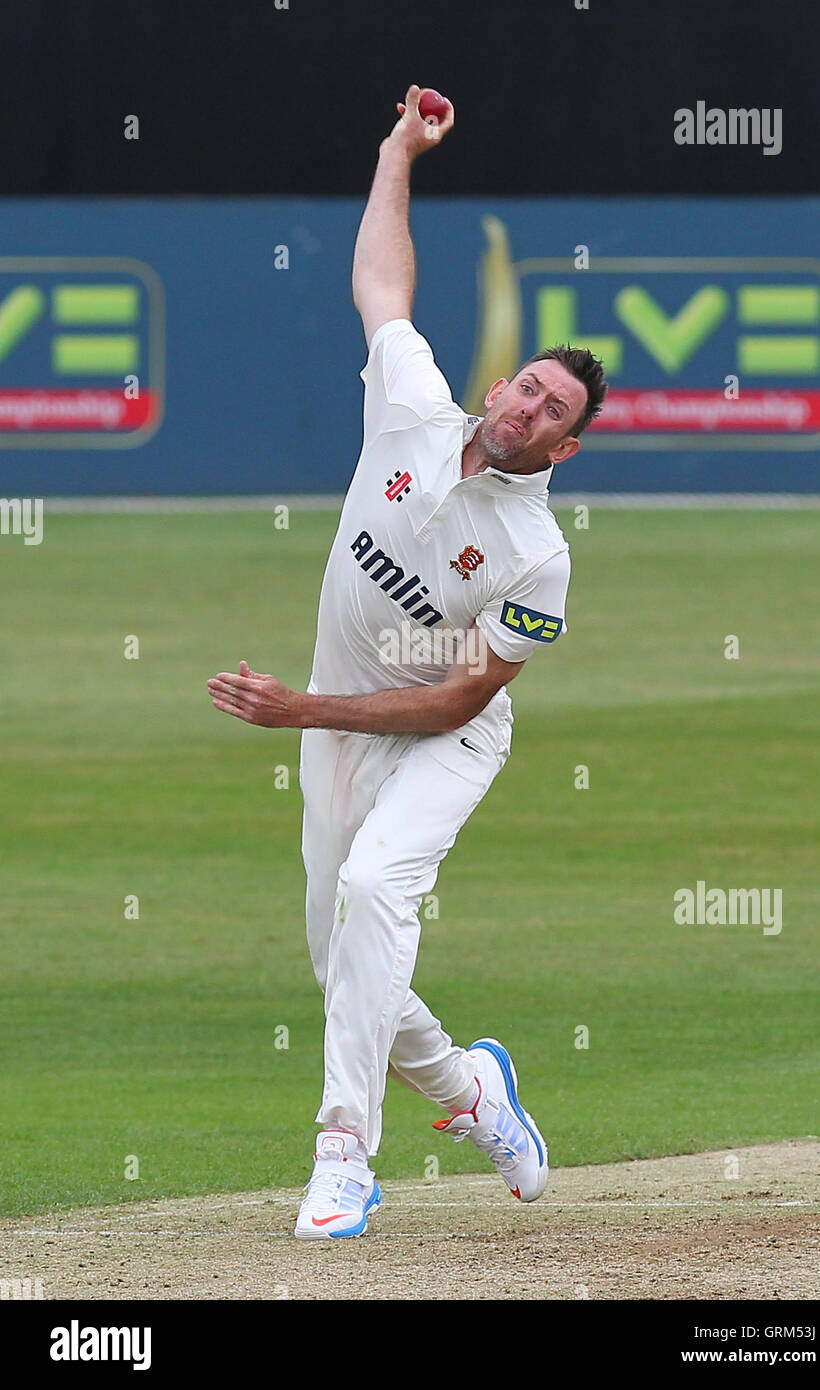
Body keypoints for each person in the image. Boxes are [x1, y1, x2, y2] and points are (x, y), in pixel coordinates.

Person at [207, 84, 607, 1239]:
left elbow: (457, 696)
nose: (526, 407)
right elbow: (381, 283)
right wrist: (397, 150)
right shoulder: (412, 410)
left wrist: (299, 708)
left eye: (551, 412)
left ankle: (343, 1152)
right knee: (344, 970)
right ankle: (478, 1093)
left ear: (563, 447)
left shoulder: (536, 559)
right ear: (504, 382)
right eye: (527, 383)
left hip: (444, 737)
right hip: (334, 722)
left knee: (380, 891)